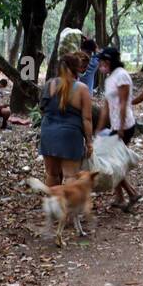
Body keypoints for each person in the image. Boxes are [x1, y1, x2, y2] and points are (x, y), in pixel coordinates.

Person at [39, 54, 94, 187]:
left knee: (52, 174)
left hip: (48, 134)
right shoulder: (82, 89)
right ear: (77, 68)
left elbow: (42, 110)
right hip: (70, 136)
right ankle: (70, 206)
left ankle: (54, 205)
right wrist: (89, 142)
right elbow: (87, 119)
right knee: (71, 175)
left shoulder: (48, 85)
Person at [96, 47, 140, 210]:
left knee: (113, 162)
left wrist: (120, 128)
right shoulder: (109, 79)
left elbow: (123, 103)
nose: (100, 65)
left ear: (108, 62)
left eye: (101, 62)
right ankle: (121, 196)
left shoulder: (121, 75)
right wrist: (99, 128)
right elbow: (106, 107)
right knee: (112, 161)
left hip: (125, 124)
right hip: (114, 125)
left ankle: (131, 194)